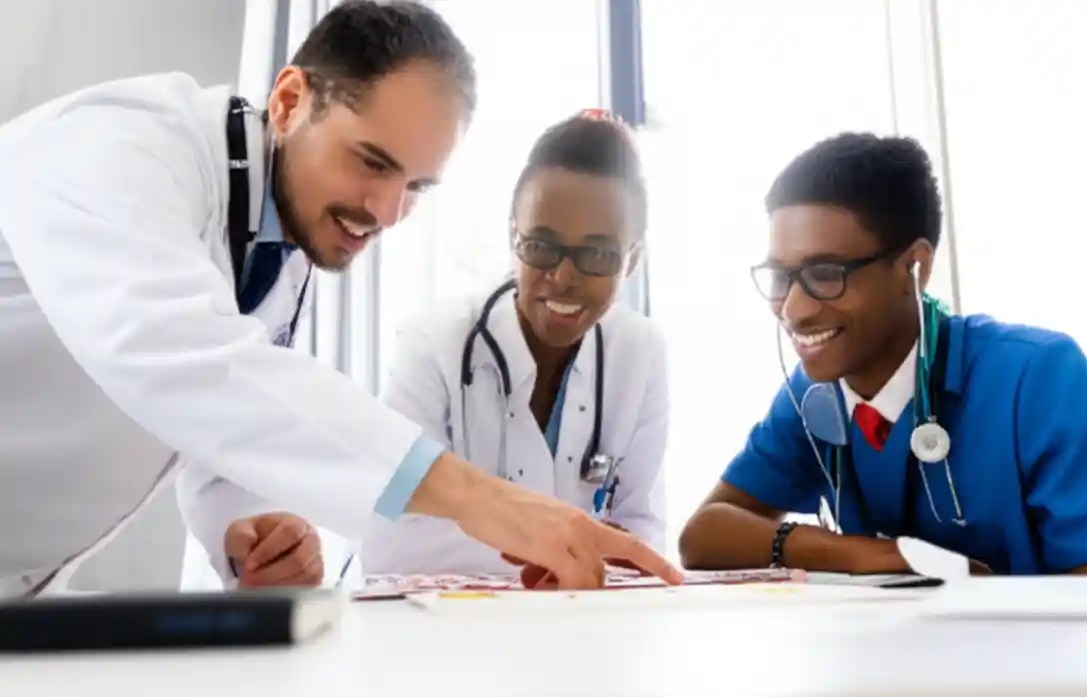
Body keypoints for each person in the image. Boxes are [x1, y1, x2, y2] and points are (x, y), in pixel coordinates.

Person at [0, 0, 678, 597]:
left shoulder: (272, 241)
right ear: (290, 100)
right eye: (372, 163)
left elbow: (219, 434)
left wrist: (252, 533)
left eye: (417, 187)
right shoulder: (121, 148)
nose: (386, 212)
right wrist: (488, 503)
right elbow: (183, 360)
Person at [678, 133, 1087, 576]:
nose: (795, 309)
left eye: (827, 273)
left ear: (914, 266)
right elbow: (703, 535)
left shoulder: (1035, 376)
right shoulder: (814, 396)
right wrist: (865, 554)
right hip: (890, 669)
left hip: (1033, 668)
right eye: (781, 276)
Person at [363, 111, 668, 576]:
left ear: (633, 259)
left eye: (598, 255)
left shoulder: (640, 352)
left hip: (591, 626)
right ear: (513, 237)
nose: (563, 277)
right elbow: (390, 545)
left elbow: (644, 539)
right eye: (542, 245)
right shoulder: (433, 343)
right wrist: (562, 547)